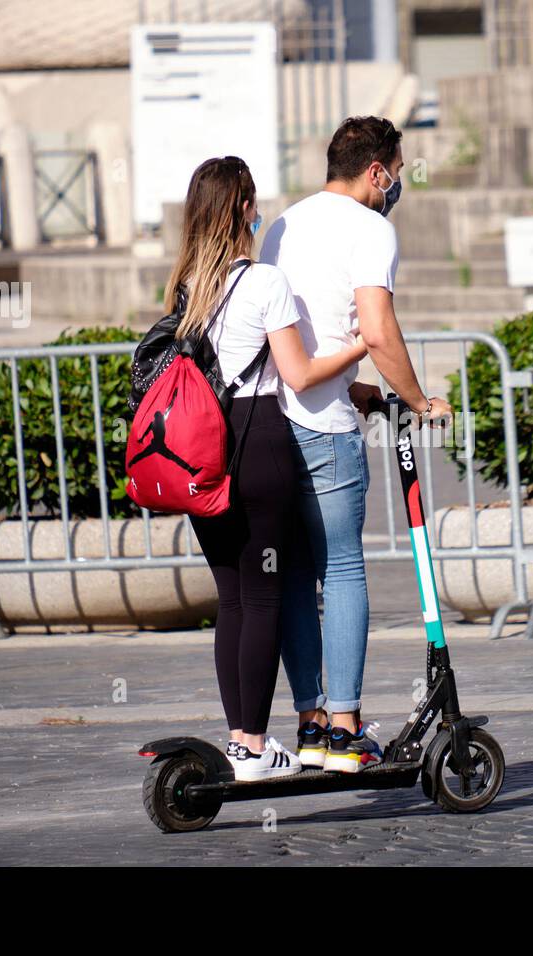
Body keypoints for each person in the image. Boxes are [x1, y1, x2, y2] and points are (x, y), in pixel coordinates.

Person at [260, 116, 452, 773]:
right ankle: (344, 730)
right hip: (326, 433)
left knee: (290, 578)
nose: (396, 183)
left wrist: (356, 389)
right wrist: (421, 401)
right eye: (396, 171)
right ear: (376, 170)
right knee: (341, 569)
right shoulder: (372, 229)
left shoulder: (281, 226)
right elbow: (375, 326)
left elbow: (292, 332)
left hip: (272, 422)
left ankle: (311, 722)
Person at [168, 156, 368, 781]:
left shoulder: (185, 289)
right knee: (263, 598)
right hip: (260, 450)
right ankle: (254, 747)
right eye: (253, 201)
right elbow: (301, 373)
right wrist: (366, 343)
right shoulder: (263, 283)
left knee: (232, 602)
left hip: (204, 454)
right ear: (244, 209)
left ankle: (240, 740)